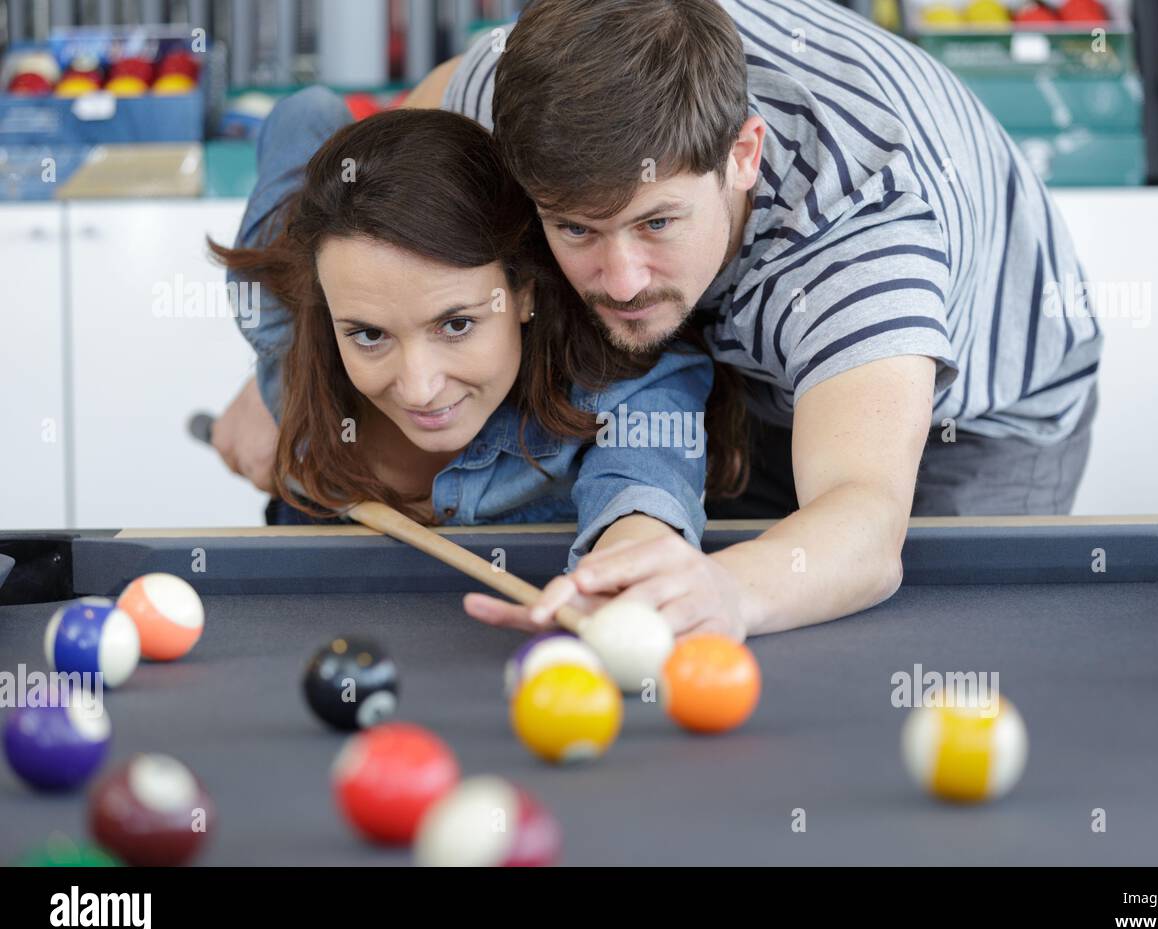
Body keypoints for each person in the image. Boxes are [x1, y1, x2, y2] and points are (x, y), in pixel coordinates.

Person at [217, 0, 1101, 640]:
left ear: (742, 155)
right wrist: (300, 358)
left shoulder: (860, 229)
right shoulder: (513, 93)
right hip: (734, 360)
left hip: (974, 417)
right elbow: (389, 193)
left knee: (882, 646)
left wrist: (732, 593)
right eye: (575, 229)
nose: (621, 280)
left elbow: (863, 519)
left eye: (656, 223)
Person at [213, 89, 747, 578]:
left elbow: (642, 495)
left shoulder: (620, 387)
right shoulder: (274, 308)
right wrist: (280, 396)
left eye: (456, 324)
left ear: (522, 292)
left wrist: (629, 565)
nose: (420, 388)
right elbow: (306, 109)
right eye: (369, 335)